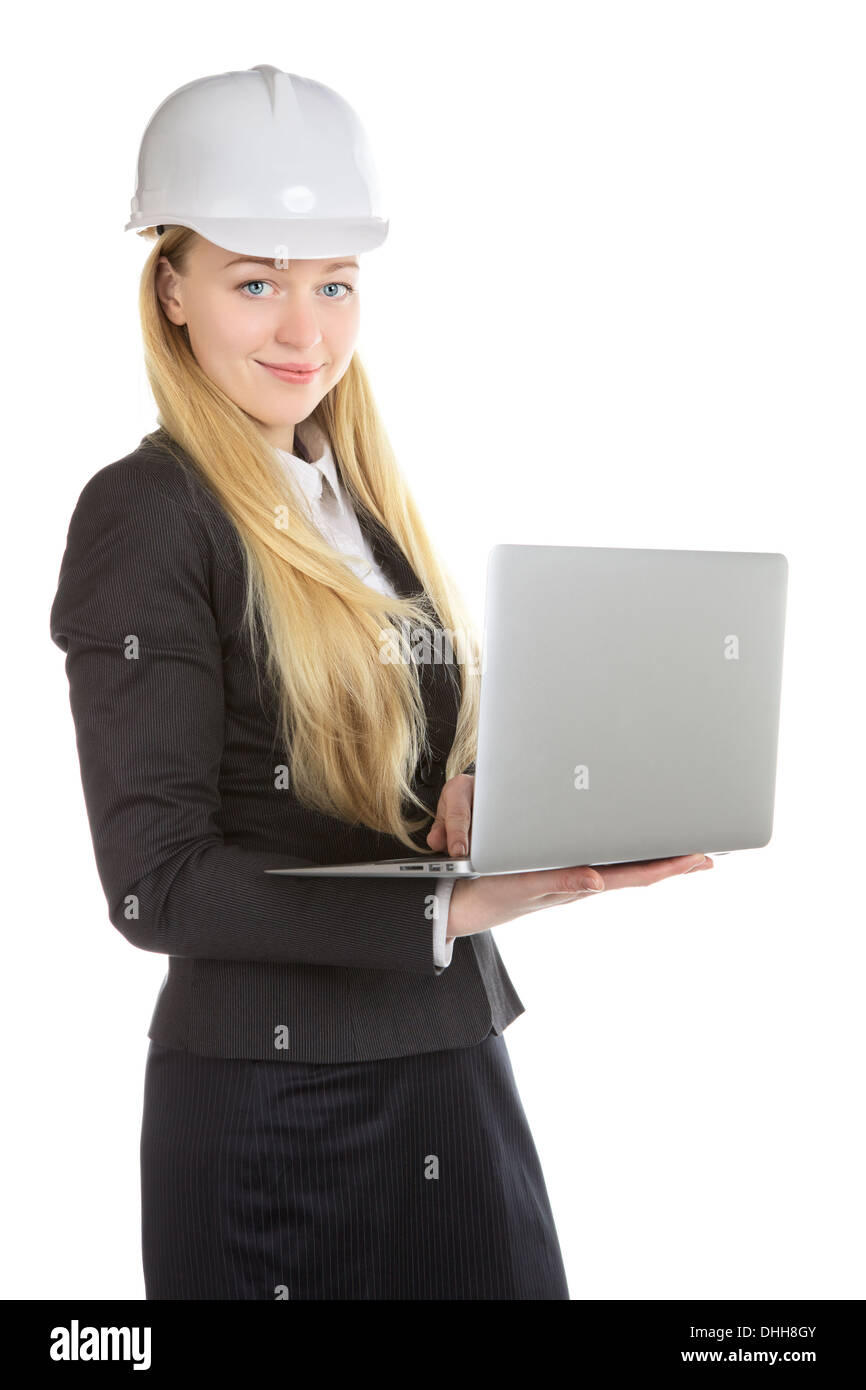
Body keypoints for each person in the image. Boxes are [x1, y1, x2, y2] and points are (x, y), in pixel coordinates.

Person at [49, 64, 713, 1301]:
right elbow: (155, 885)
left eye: (334, 286)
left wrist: (482, 798)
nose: (307, 332)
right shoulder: (146, 516)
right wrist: (451, 907)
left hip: (450, 1061)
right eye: (256, 283)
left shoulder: (361, 507)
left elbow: (385, 796)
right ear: (173, 289)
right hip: (276, 1113)